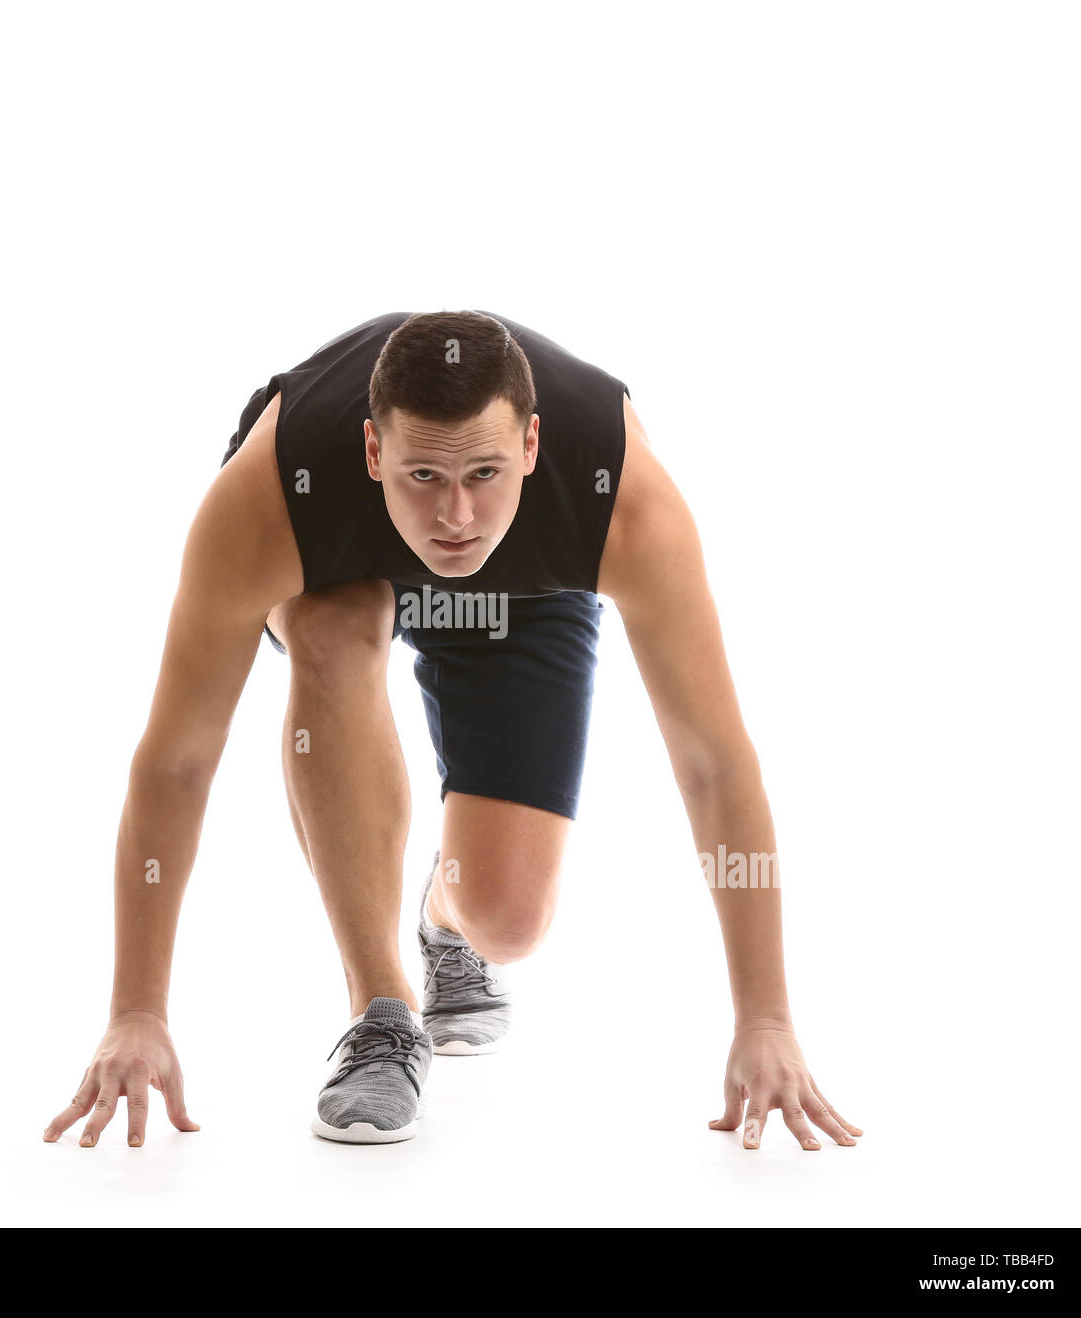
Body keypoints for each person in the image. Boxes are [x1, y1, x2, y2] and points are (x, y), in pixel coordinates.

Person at [42, 310, 862, 1151]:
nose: (457, 515)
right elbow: (176, 760)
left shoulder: (621, 504)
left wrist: (766, 1018)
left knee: (508, 919)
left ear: (534, 446)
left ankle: (443, 915)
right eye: (423, 474)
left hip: (525, 592)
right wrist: (136, 1011)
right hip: (346, 567)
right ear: (372, 453)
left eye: (485, 472)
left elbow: (713, 762)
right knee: (332, 631)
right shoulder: (271, 499)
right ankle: (382, 1013)